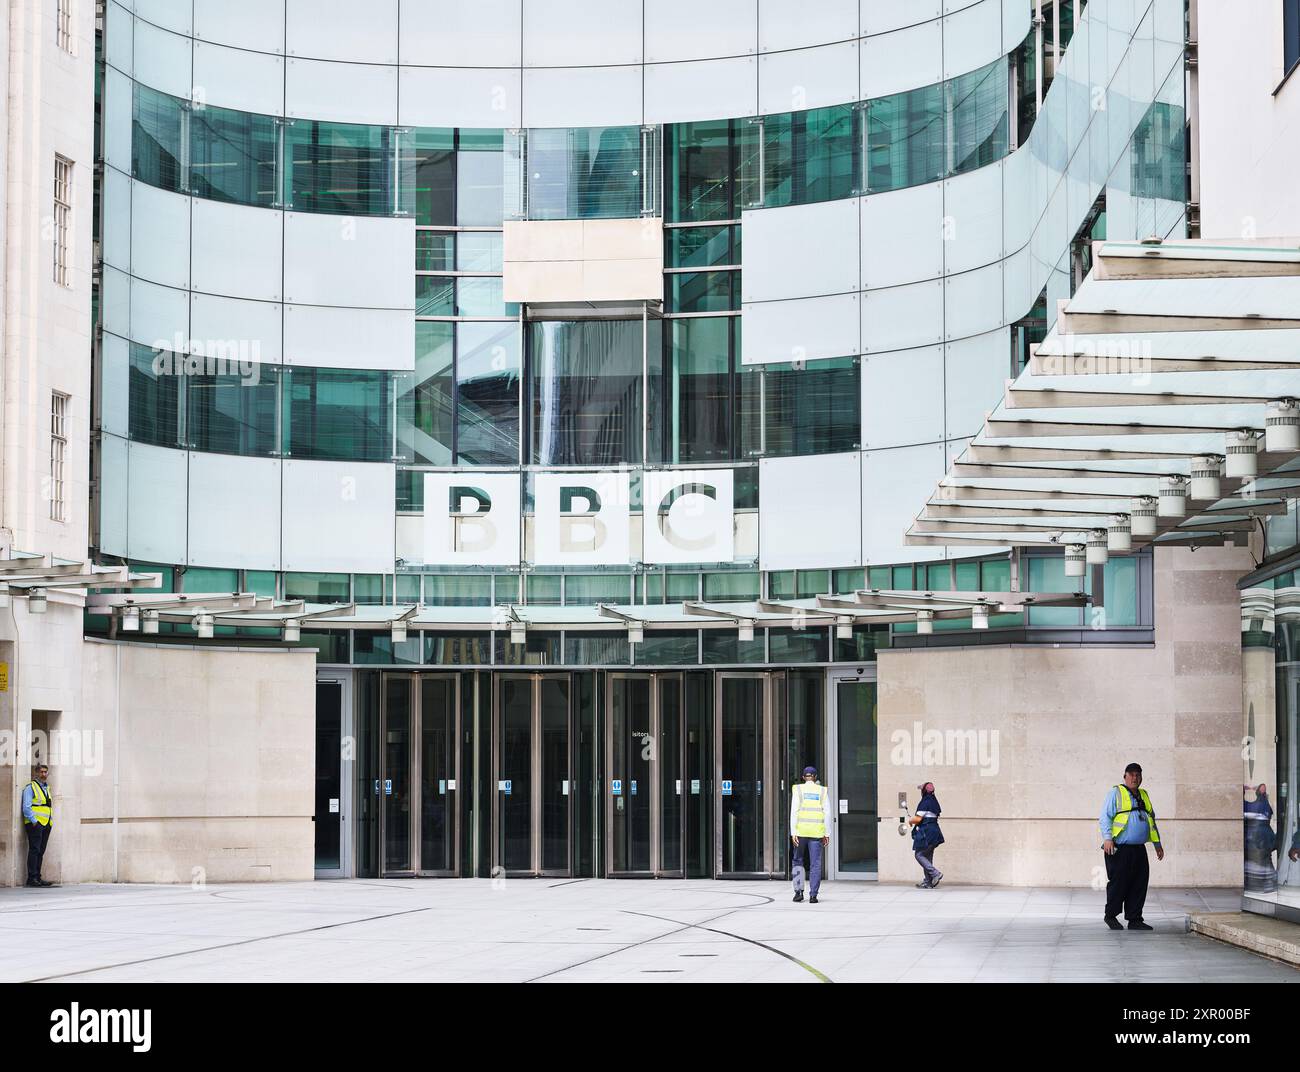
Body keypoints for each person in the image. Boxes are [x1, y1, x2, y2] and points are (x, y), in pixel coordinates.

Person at [1100, 762, 1163, 931]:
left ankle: (1135, 919)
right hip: (1119, 848)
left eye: (1138, 775)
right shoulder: (1116, 792)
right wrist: (1107, 838)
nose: (1135, 778)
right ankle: (1111, 916)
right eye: (1132, 775)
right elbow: (1105, 816)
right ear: (1125, 776)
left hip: (1139, 849)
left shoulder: (1144, 794)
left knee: (1139, 883)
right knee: (1119, 883)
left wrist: (1157, 844)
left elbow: (1151, 820)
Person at [790, 765, 830, 904]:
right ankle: (813, 895)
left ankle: (798, 892)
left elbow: (794, 811)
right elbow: (827, 813)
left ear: (803, 777)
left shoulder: (798, 789)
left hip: (800, 832)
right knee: (815, 865)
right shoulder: (822, 791)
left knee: (798, 861)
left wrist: (793, 832)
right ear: (815, 777)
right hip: (817, 833)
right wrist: (827, 833)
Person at [22, 763, 56, 888]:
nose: (43, 774)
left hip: (46, 823)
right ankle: (31, 878)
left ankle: (38, 877)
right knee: (34, 850)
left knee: (40, 851)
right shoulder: (30, 787)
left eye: (45, 772)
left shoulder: (47, 788)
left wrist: (49, 821)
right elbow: (26, 807)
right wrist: (34, 821)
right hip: (35, 824)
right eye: (41, 772)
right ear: (36, 773)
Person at [1242, 784, 1277, 893]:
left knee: (1262, 861)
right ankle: (1270, 882)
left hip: (1259, 839)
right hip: (1262, 839)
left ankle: (1269, 882)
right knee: (1265, 861)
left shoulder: (1254, 806)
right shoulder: (1262, 805)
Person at [909, 781, 944, 888]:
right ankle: (928, 882)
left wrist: (911, 821)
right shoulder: (934, 801)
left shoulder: (925, 802)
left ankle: (935, 873)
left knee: (919, 855)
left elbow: (917, 819)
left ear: (924, 791)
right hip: (935, 832)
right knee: (927, 857)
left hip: (927, 832)